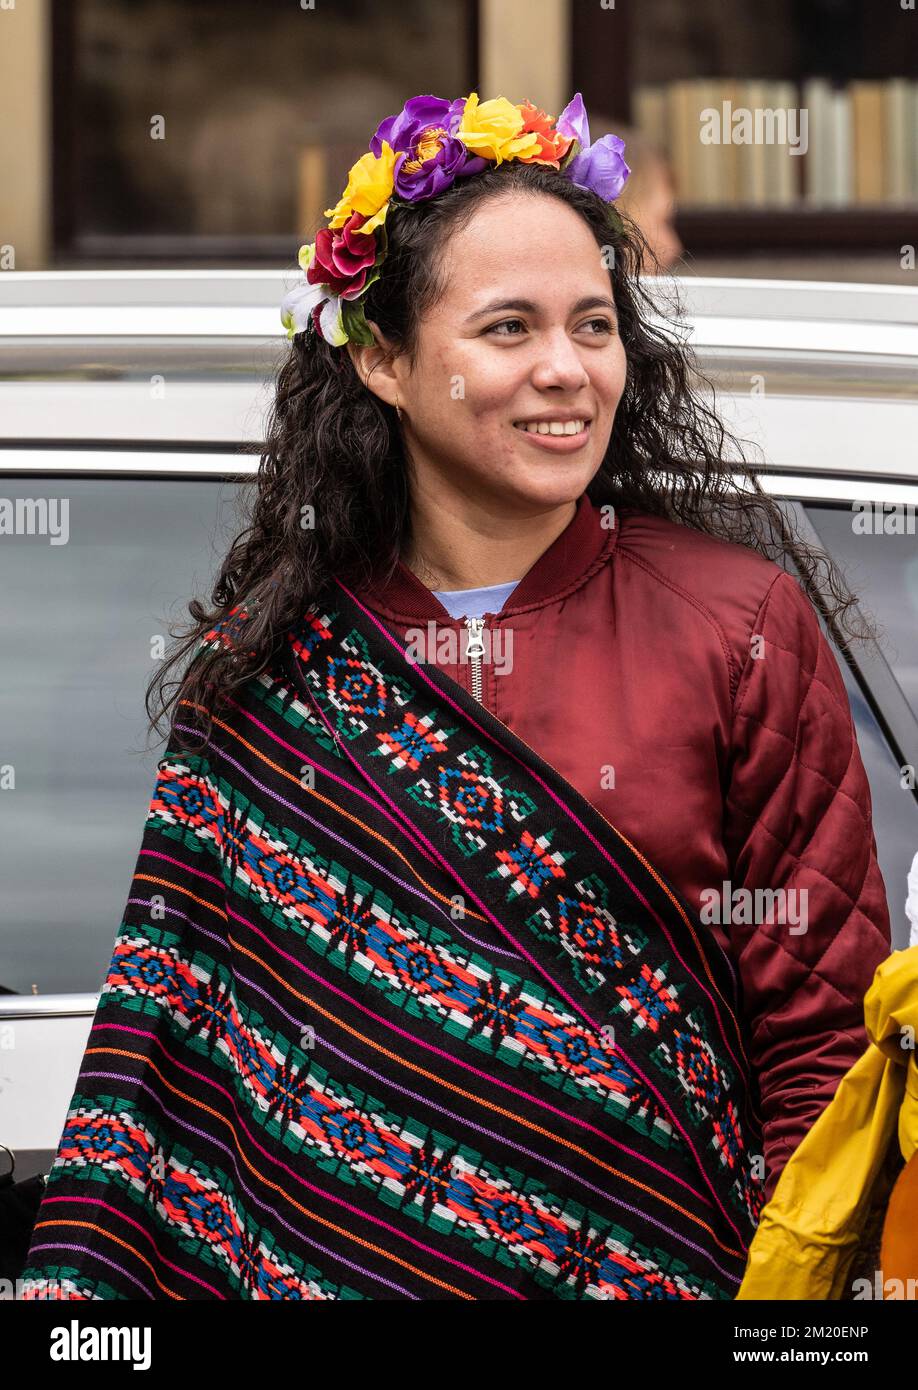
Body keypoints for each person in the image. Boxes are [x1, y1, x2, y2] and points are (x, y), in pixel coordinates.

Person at [20, 90, 891, 1302]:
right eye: (507, 328)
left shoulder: (736, 628)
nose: (565, 369)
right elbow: (169, 1056)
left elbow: (822, 1064)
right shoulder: (277, 664)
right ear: (382, 358)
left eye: (594, 324)